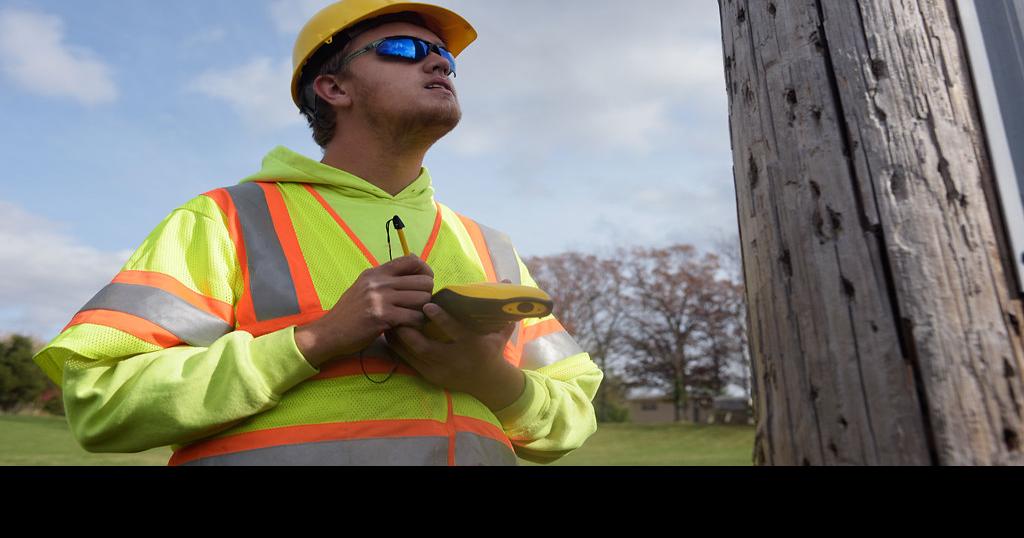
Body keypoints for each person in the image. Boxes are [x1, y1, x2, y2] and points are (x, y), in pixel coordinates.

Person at [31, 0, 603, 466]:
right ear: (333, 88)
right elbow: (100, 403)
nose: (438, 64)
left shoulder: (489, 245)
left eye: (444, 56)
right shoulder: (226, 217)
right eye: (404, 49)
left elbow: (573, 417)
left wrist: (489, 378)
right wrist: (313, 341)